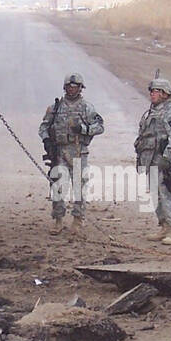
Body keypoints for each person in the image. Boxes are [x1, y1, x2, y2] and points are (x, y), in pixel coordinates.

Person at [38, 73, 105, 235]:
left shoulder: (87, 108)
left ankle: (77, 219)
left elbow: (100, 126)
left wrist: (84, 129)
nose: (72, 89)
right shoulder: (55, 107)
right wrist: (46, 140)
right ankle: (58, 219)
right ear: (65, 87)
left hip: (78, 152)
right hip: (59, 152)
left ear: (81, 88)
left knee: (79, 187)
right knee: (57, 186)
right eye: (69, 86)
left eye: (75, 87)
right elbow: (43, 127)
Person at [135, 75, 171, 244]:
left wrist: (168, 156)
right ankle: (164, 226)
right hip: (151, 159)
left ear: (165, 93)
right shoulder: (153, 111)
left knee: (167, 194)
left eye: (156, 91)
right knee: (156, 195)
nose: (152, 94)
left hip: (165, 161)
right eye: (151, 90)